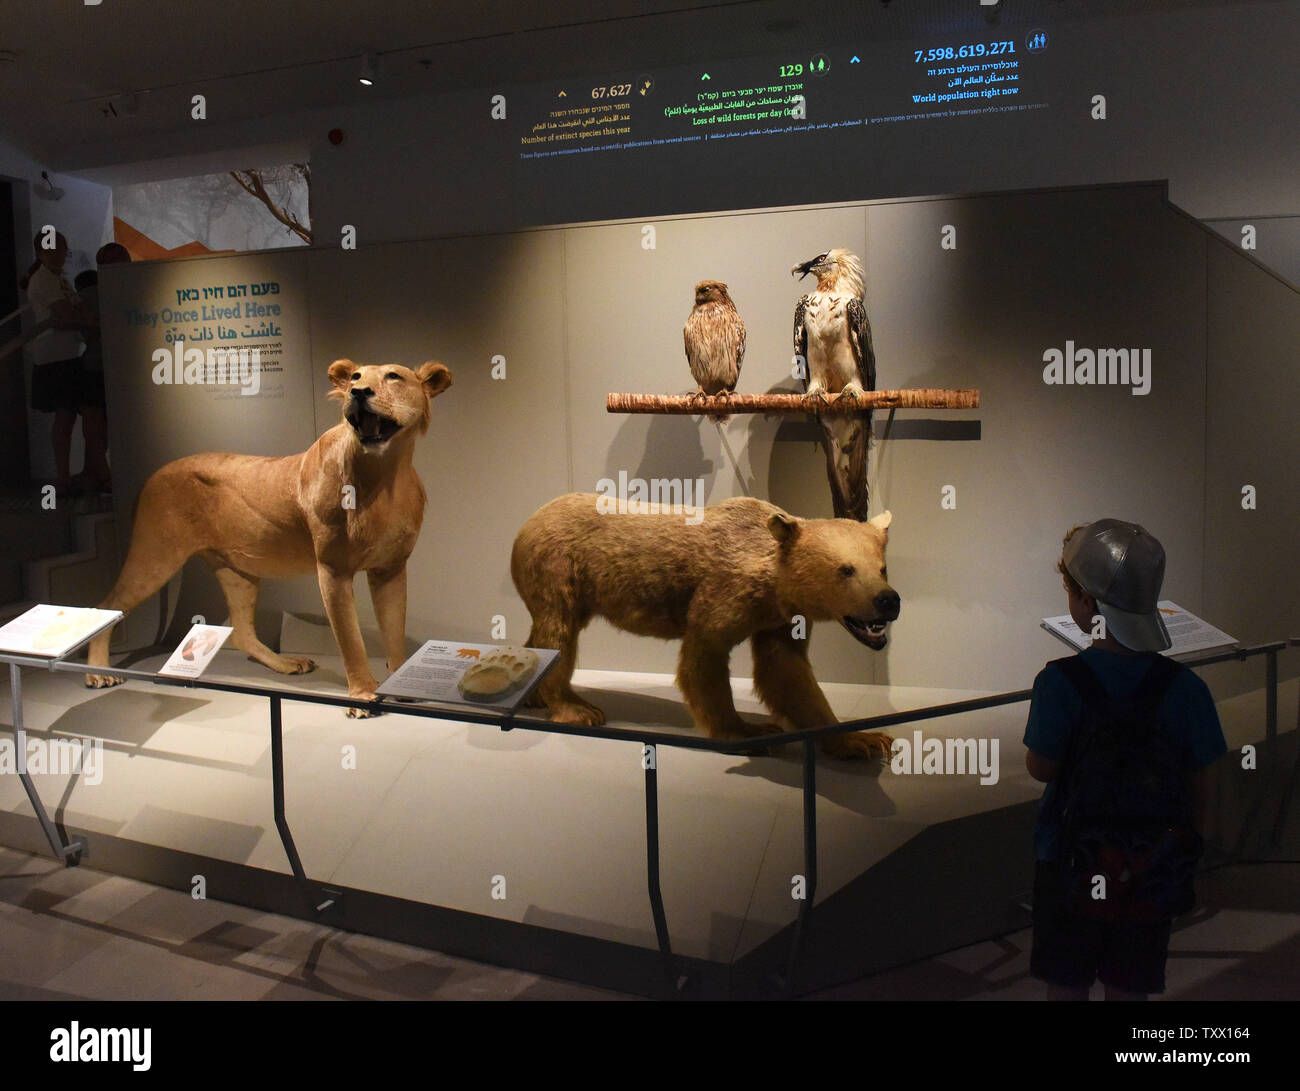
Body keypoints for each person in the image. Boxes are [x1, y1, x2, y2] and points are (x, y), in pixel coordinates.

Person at [1023, 519, 1227, 1000]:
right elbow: (1202, 780)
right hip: (1152, 862)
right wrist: (1188, 848)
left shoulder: (1059, 682)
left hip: (1067, 858)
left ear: (1087, 603)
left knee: (1066, 982)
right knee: (1130, 984)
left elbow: (1042, 767)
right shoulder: (1187, 689)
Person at [24, 231, 97, 494]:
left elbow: (80, 311)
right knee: (64, 417)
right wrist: (85, 320)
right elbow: (68, 313)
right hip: (55, 357)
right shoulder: (44, 280)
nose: (57, 254)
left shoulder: (59, 280)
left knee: (69, 417)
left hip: (66, 354)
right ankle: (63, 477)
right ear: (41, 253)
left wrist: (82, 317)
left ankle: (69, 475)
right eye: (51, 250)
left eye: (60, 249)